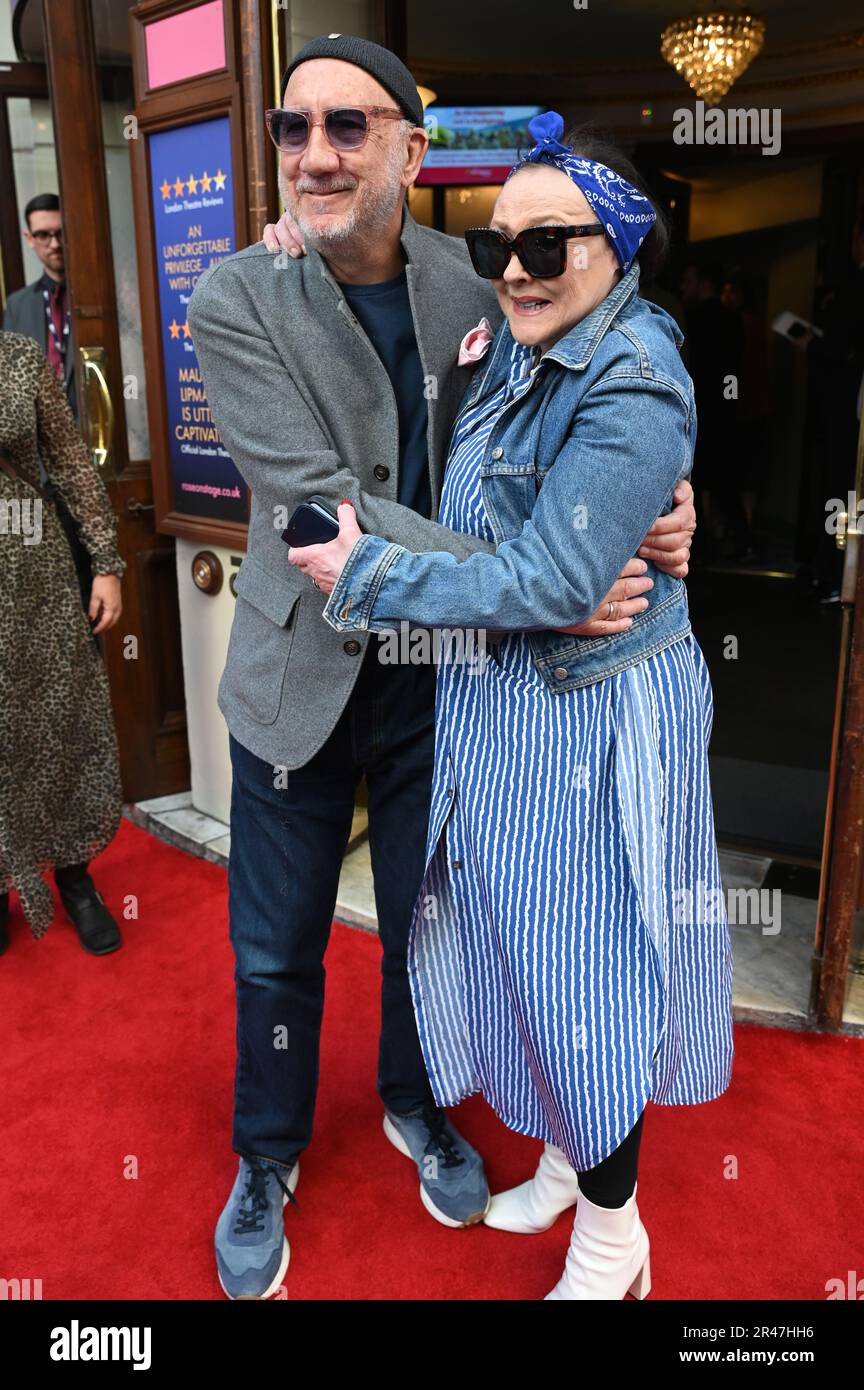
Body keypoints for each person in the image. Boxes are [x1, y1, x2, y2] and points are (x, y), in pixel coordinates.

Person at [187, 34, 697, 1301]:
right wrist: (541, 579)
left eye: (350, 128)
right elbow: (319, 514)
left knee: (436, 922)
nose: (316, 154)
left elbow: (578, 423)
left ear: (414, 154)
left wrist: (661, 513)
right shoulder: (238, 297)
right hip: (300, 671)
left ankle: (420, 1106)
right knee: (274, 950)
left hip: (449, 682)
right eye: (294, 129)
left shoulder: (478, 280)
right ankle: (267, 1156)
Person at [0, 331, 125, 955]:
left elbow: (72, 461)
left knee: (58, 714)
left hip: (32, 570)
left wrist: (105, 561)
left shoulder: (21, 357)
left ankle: (75, 877)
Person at [3, 192, 92, 603]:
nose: (54, 244)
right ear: (29, 238)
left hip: (96, 467)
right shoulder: (17, 306)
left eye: (60, 233)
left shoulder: (100, 293)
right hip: (41, 485)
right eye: (43, 235)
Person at [679, 257, 744, 557]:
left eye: (689, 280)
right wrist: (731, 403)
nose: (683, 287)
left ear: (703, 282)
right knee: (725, 479)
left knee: (695, 480)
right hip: (723, 410)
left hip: (698, 410)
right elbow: (735, 372)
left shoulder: (691, 320)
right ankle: (741, 541)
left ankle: (701, 546)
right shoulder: (732, 319)